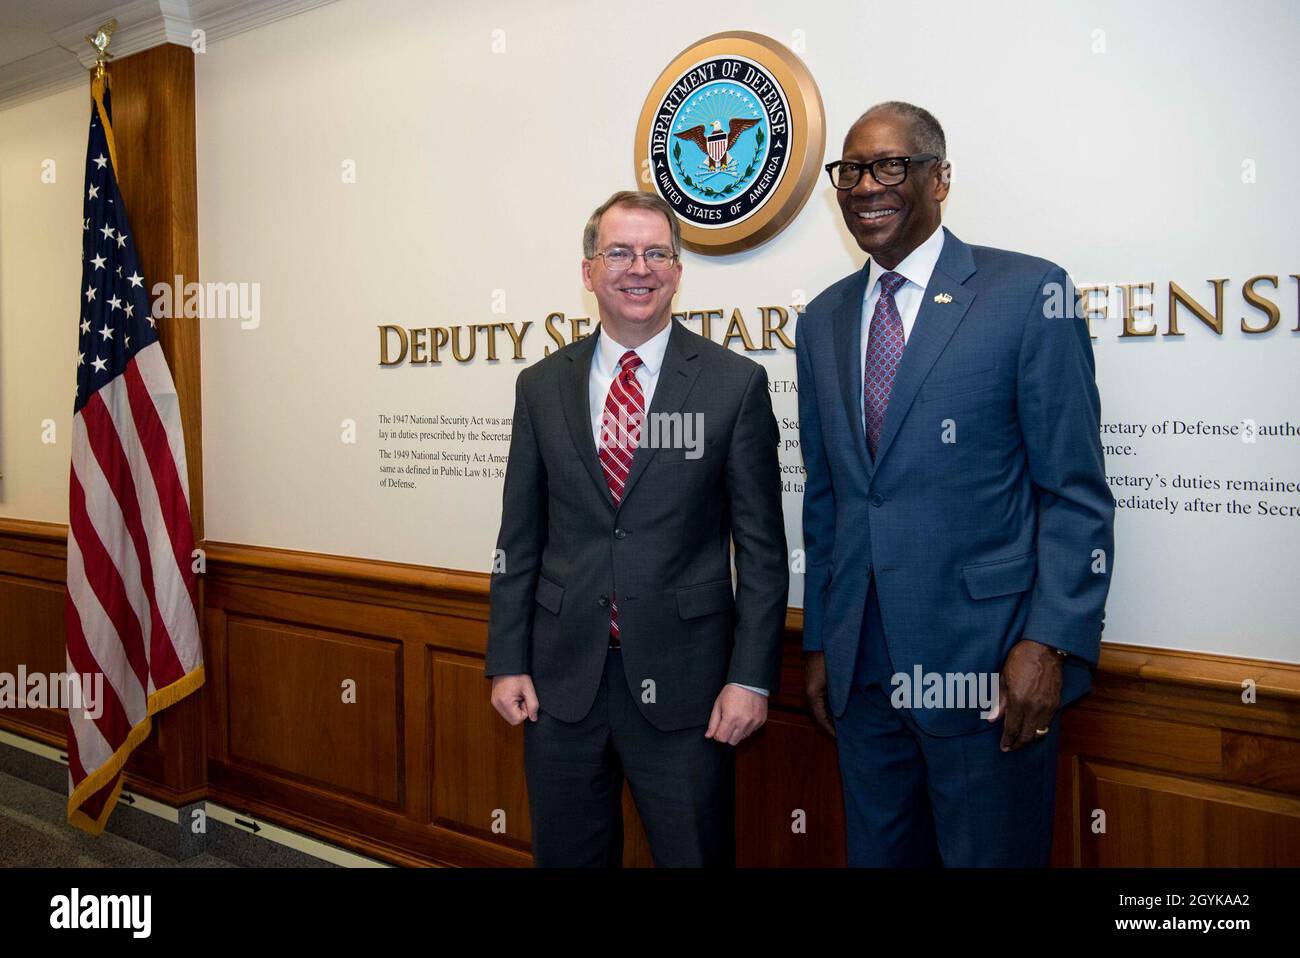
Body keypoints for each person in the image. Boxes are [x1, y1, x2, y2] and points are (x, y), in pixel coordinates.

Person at [797, 102, 1115, 866]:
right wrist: (821, 643)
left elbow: (1073, 490)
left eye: (890, 166)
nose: (866, 186)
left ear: (941, 178)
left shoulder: (1028, 292)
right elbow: (830, 495)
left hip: (989, 669)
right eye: (851, 170)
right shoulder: (823, 320)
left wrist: (1050, 642)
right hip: (863, 675)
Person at [486, 190, 788, 867]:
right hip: (562, 685)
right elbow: (519, 538)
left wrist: (752, 679)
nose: (638, 268)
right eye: (619, 252)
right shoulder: (541, 387)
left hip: (690, 690)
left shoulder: (732, 385)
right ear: (589, 270)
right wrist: (507, 659)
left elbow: (763, 552)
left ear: (678, 272)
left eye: (657, 253)